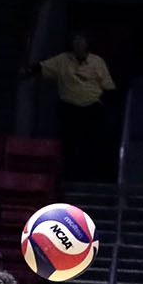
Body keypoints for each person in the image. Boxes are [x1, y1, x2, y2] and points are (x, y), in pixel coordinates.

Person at [28, 33, 117, 180]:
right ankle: (68, 175)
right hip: (69, 109)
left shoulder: (96, 62)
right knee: (69, 144)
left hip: (91, 110)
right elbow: (43, 66)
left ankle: (87, 176)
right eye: (76, 41)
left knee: (89, 144)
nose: (78, 44)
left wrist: (105, 104)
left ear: (87, 44)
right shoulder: (63, 60)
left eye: (81, 41)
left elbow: (108, 85)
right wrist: (28, 71)